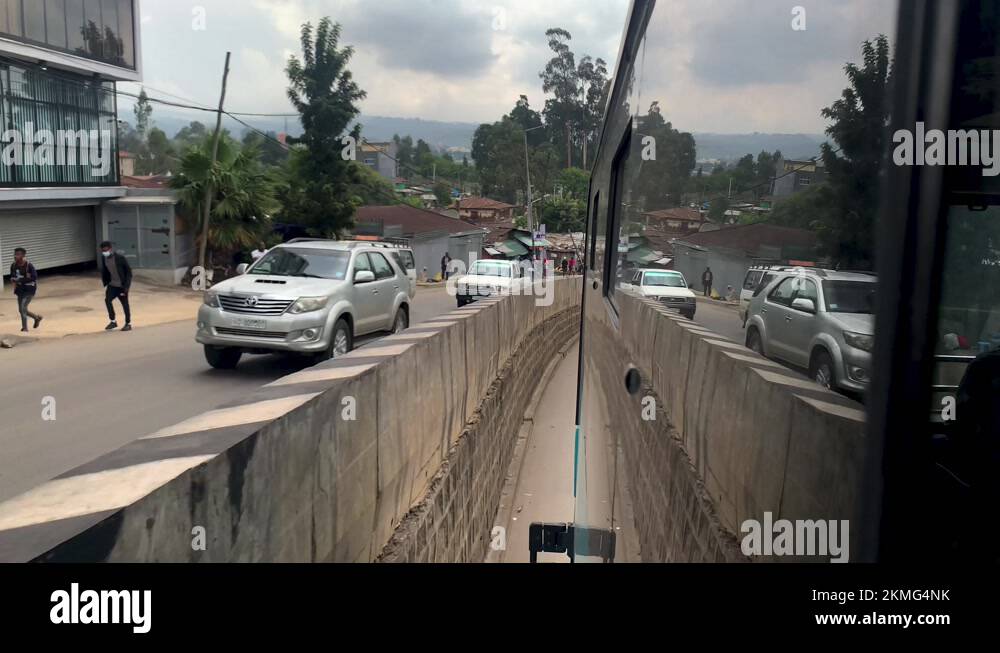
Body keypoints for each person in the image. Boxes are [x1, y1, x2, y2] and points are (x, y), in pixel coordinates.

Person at [100, 241, 133, 332]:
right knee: (107, 300)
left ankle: (128, 323)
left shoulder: (120, 258)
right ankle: (113, 321)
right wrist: (106, 281)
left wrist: (126, 287)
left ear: (111, 249)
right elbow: (105, 270)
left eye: (106, 250)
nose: (104, 252)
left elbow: (129, 273)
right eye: (103, 251)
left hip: (121, 286)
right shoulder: (104, 258)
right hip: (112, 285)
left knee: (125, 304)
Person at [9, 247, 42, 333]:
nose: (15, 256)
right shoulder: (13, 265)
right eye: (15, 254)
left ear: (23, 255)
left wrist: (20, 280)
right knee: (22, 310)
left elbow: (34, 277)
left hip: (29, 290)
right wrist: (13, 280)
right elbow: (12, 276)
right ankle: (36, 318)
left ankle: (25, 328)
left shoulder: (28, 265)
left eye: (18, 254)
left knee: (23, 308)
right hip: (20, 290)